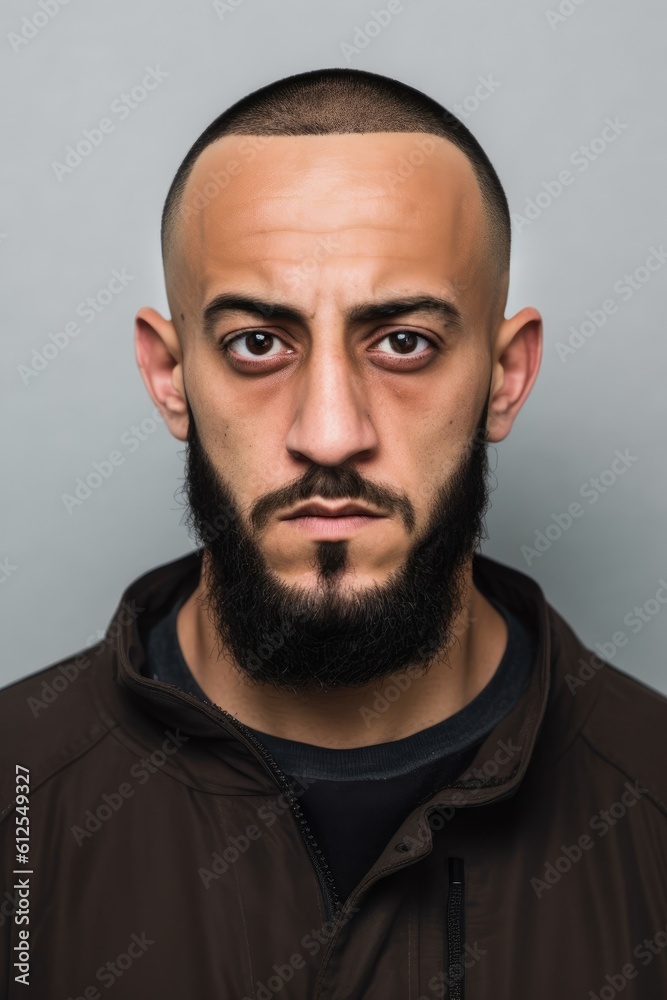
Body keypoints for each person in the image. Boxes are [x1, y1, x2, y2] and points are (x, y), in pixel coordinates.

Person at [1, 67, 666, 1000]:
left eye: (403, 342)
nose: (328, 433)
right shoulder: (18, 797)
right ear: (169, 375)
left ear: (506, 377)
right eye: (257, 344)